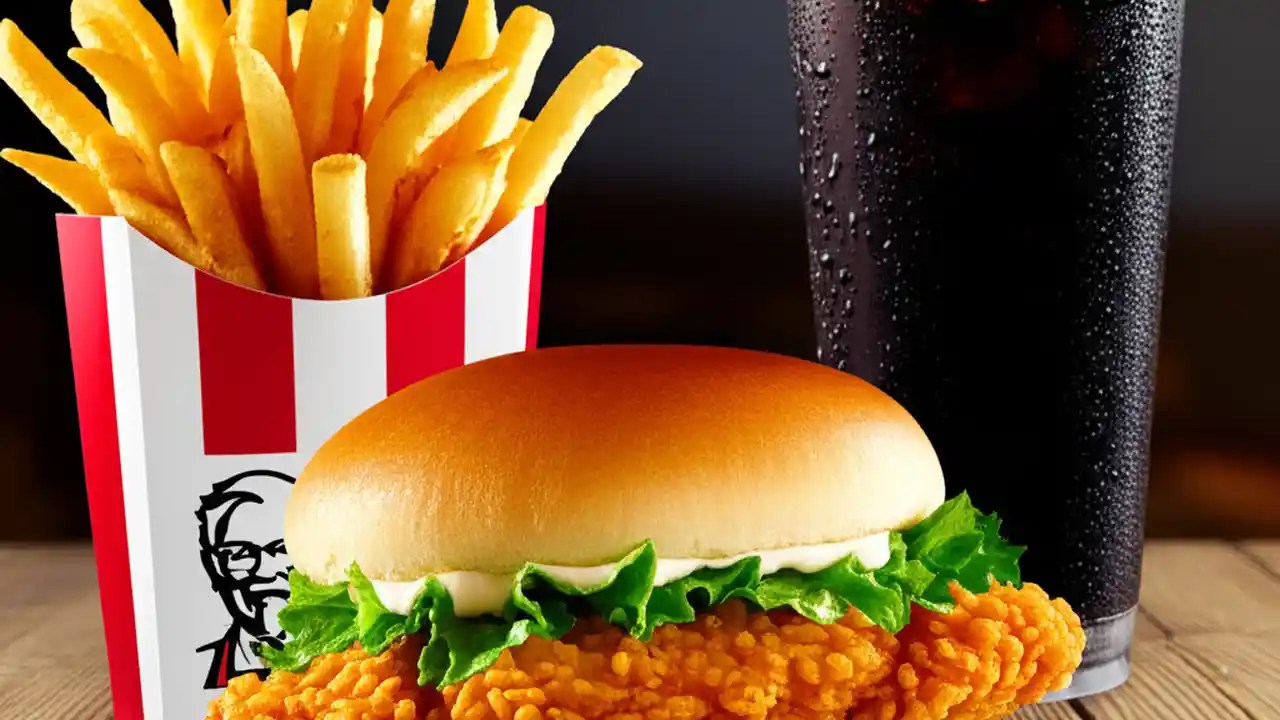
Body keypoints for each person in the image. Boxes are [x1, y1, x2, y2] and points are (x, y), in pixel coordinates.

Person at [195, 470, 294, 689]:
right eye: (239, 553)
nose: (266, 572)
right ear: (214, 567)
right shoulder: (192, 672)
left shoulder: (353, 673)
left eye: (283, 549)